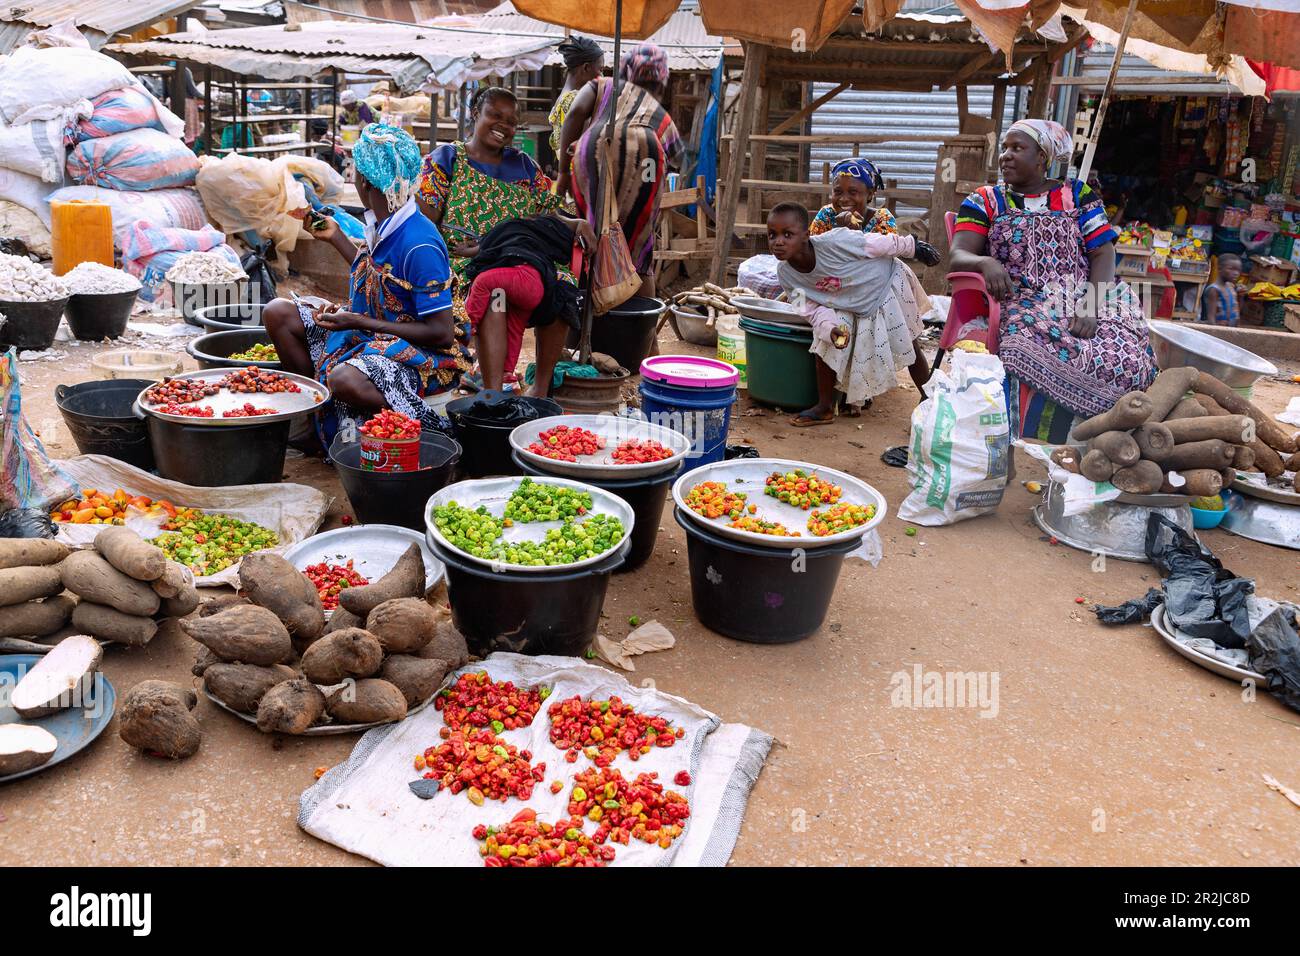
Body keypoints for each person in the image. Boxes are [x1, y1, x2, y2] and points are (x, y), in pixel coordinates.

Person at [949, 119, 1156, 443]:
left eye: (1017, 148)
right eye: (1005, 148)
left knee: (1126, 353)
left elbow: (1103, 253)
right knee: (1021, 343)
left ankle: (1101, 438)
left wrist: (1089, 305)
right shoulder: (985, 200)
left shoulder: (1077, 195)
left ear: (1042, 158)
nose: (1006, 155)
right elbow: (959, 254)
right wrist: (985, 262)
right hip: (1023, 297)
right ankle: (1043, 436)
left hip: (1087, 292)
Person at [263, 123, 467, 444]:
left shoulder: (419, 244)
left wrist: (358, 320)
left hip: (422, 355)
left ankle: (429, 430)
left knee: (345, 378)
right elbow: (377, 275)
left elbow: (440, 334)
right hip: (376, 332)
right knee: (279, 313)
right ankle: (313, 419)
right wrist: (336, 238)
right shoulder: (383, 223)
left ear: (365, 182)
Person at [767, 202, 941, 427]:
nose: (778, 242)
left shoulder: (835, 241)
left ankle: (928, 398)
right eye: (772, 235)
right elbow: (810, 309)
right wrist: (830, 330)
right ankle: (825, 407)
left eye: (787, 234)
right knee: (824, 345)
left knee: (908, 344)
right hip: (849, 300)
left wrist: (914, 248)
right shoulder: (786, 276)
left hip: (883, 286)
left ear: (806, 235)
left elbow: (877, 244)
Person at [416, 87, 566, 321]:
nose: (503, 126)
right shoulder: (448, 159)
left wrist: (577, 224)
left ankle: (547, 360)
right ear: (476, 113)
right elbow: (425, 220)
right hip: (461, 264)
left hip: (517, 259)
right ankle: (480, 355)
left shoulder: (525, 166)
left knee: (563, 287)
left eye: (511, 122)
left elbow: (547, 218)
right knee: (495, 294)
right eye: (495, 116)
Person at [557, 41, 684, 299]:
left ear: (625, 71)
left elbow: (575, 113)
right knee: (638, 248)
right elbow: (677, 159)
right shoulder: (662, 115)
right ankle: (643, 331)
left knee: (591, 235)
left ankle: (582, 323)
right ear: (662, 81)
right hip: (648, 155)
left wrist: (563, 173)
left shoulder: (604, 85)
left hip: (595, 151)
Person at [464, 212, 597, 395]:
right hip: (536, 280)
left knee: (482, 283)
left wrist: (468, 325)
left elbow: (484, 249)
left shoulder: (515, 222)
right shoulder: (543, 228)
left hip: (525, 278)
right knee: (513, 326)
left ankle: (466, 329)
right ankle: (505, 374)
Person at [549, 36, 605, 157]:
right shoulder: (575, 100)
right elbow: (587, 146)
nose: (602, 75)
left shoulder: (563, 98)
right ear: (586, 68)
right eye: (600, 69)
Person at [1203, 253, 1241, 325]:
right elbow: (1211, 317)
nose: (1236, 273)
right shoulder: (1214, 290)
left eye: (1238, 270)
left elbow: (1236, 311)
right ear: (1220, 268)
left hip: (1231, 330)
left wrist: (1241, 296)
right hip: (1219, 330)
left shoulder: (1231, 286)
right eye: (1231, 269)